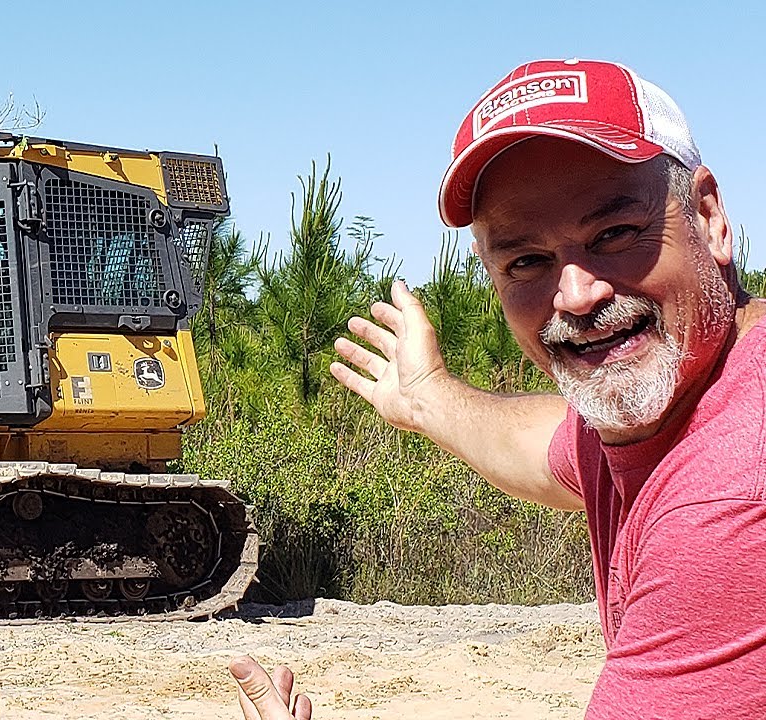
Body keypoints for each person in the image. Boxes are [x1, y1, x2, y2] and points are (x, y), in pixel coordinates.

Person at [229, 58, 766, 719]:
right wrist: (428, 395)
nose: (576, 293)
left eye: (615, 234)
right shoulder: (681, 401)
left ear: (709, 217)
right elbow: (544, 449)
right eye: (527, 262)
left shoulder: (731, 498)